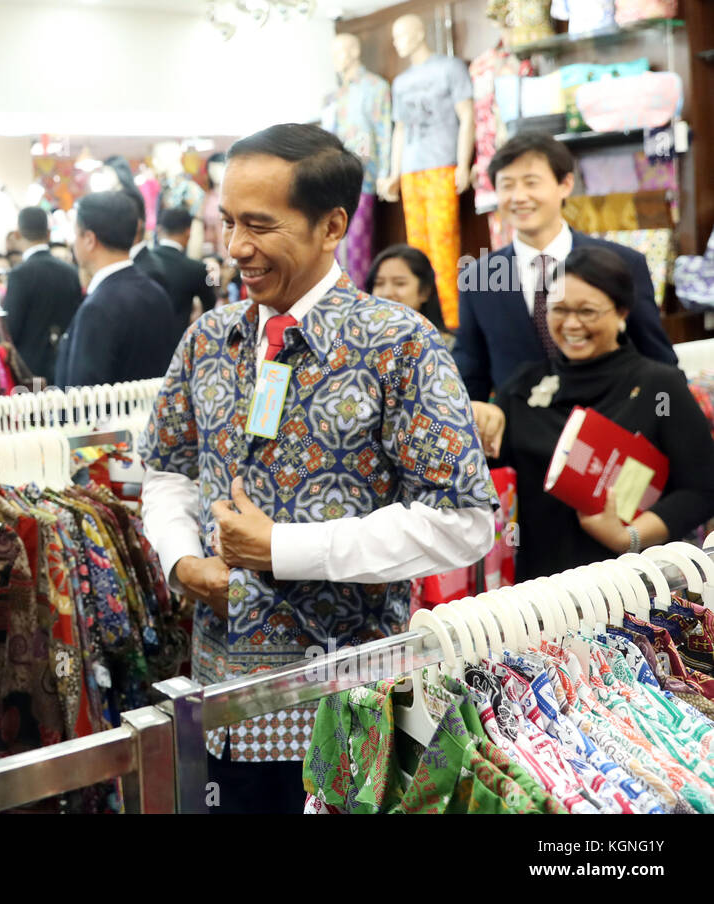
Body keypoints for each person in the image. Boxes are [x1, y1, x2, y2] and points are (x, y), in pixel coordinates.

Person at [137, 123, 496, 814]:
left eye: (260, 225)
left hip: (348, 715)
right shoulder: (209, 338)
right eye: (229, 223)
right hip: (221, 709)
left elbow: (465, 521)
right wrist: (182, 561)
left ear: (333, 225)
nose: (237, 247)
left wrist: (285, 549)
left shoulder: (398, 344)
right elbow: (167, 472)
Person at [471, 246, 714, 581]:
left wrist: (626, 537)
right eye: (559, 310)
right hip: (539, 591)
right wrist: (481, 418)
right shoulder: (522, 386)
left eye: (587, 311)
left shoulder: (658, 385)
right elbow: (487, 474)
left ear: (621, 313)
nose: (572, 324)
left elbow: (701, 490)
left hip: (631, 586)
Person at [454, 132, 676, 402]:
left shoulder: (624, 263)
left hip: (611, 425)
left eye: (531, 182)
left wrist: (664, 418)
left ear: (565, 184)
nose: (519, 197)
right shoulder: (478, 277)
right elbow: (471, 373)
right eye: (507, 185)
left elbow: (657, 359)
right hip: (521, 435)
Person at [56, 191, 181, 388]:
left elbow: (84, 395)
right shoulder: (156, 293)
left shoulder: (97, 307)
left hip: (110, 418)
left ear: (89, 239)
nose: (74, 243)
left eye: (76, 234)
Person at [2, 206, 84, 382]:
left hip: (30, 372)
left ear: (17, 234)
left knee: (36, 410)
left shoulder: (20, 274)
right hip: (66, 364)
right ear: (48, 234)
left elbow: (12, 328)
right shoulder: (70, 272)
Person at [366, 243, 449, 337]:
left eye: (399, 283)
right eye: (379, 283)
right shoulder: (358, 343)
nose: (387, 293)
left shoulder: (444, 346)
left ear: (425, 292)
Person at [151, 206, 216, 325]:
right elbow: (210, 306)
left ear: (159, 230)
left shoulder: (142, 262)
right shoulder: (197, 269)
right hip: (180, 340)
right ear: (188, 232)